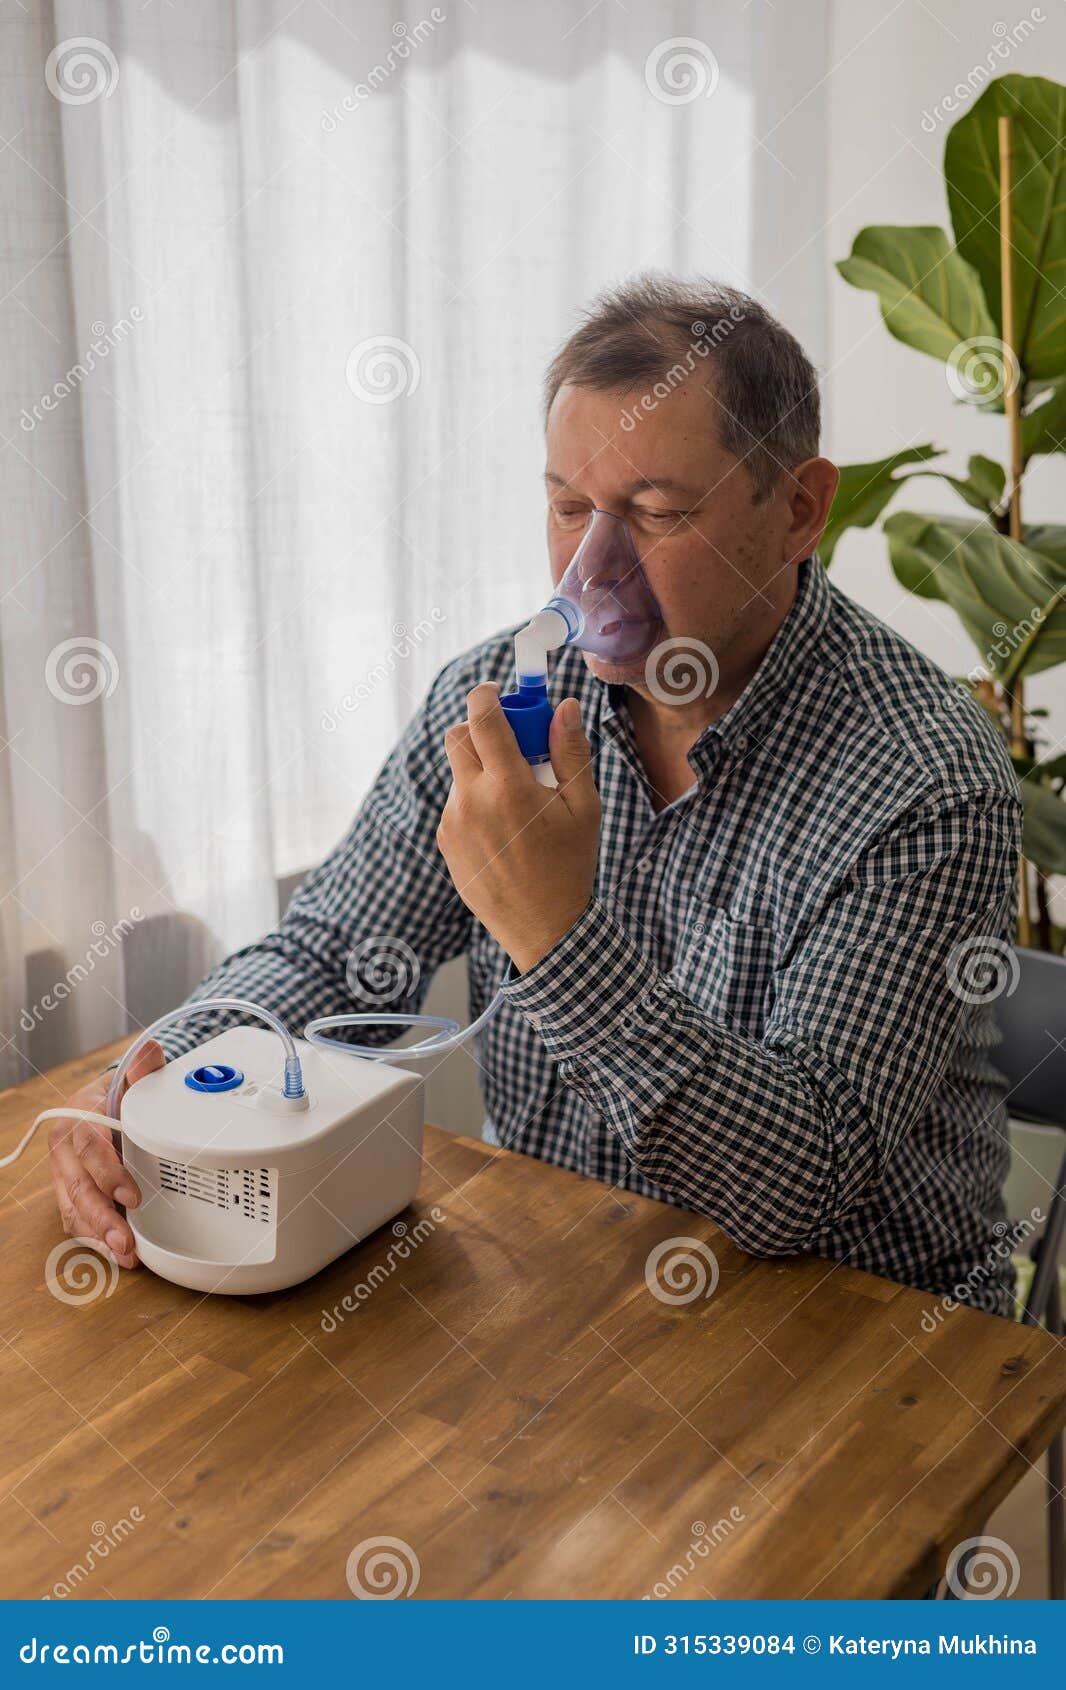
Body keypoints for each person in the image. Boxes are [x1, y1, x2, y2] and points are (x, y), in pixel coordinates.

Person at [47, 274, 1021, 1316]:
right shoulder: (506, 702)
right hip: (571, 1289)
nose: (590, 572)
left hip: (867, 1334)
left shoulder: (925, 777)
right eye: (568, 508)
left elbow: (805, 1184)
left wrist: (556, 934)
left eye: (654, 514)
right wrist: (161, 1072)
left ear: (796, 510)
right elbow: (337, 956)